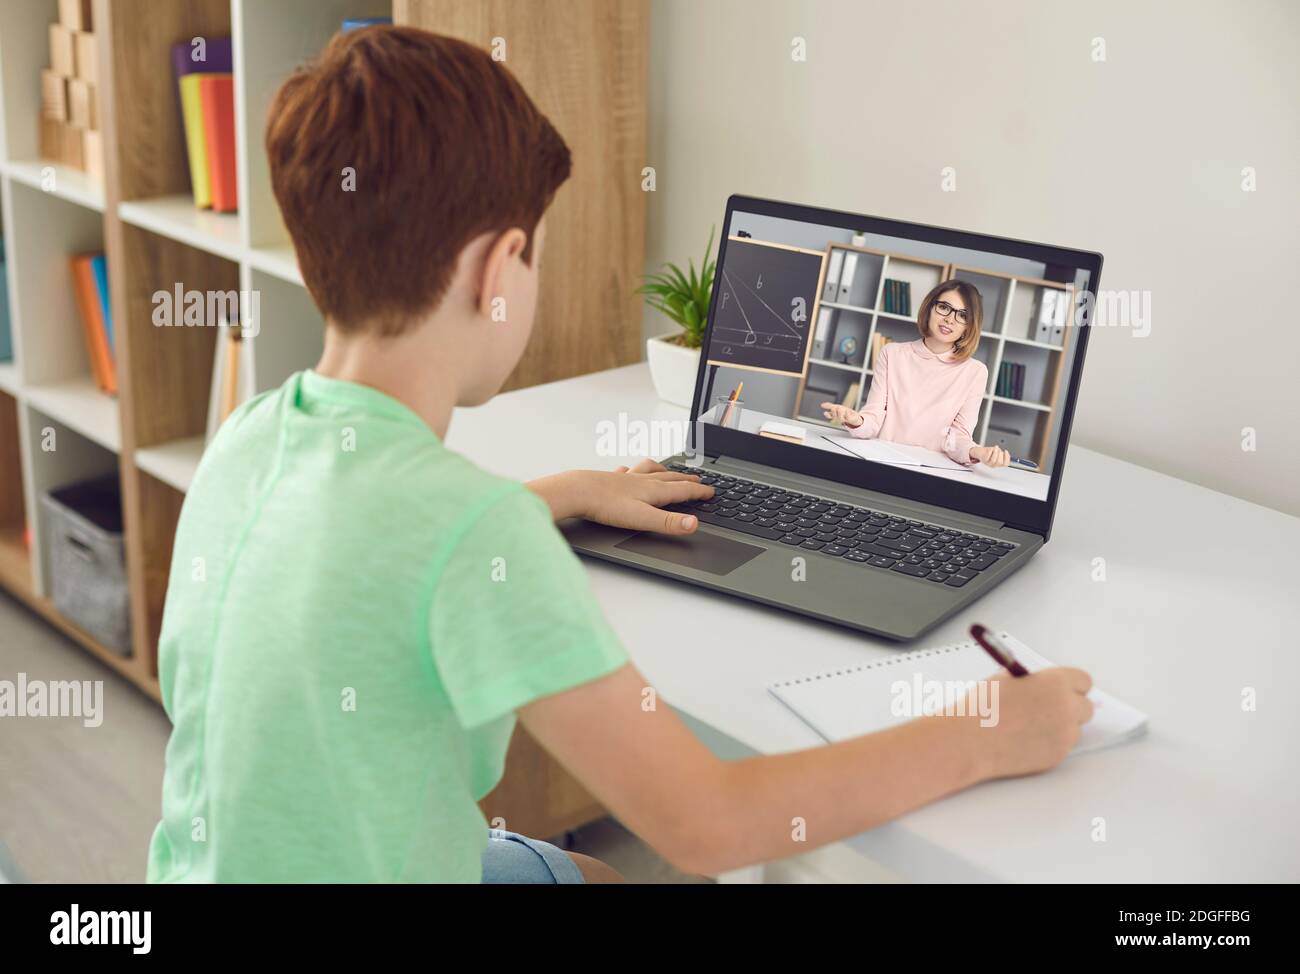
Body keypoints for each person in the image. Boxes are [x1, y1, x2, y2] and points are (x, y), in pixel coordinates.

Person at [147, 26, 1090, 884]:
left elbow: (371, 544)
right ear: (496, 267)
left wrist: (560, 493)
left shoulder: (252, 432)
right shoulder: (474, 538)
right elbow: (709, 827)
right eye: (538, 257)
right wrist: (985, 735)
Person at [821, 281, 1011, 467]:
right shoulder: (892, 354)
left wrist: (977, 452)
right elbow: (874, 419)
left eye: (963, 315)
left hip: (931, 472)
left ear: (969, 326)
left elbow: (957, 438)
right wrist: (856, 420)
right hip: (883, 462)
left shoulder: (975, 372)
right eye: (944, 307)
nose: (950, 319)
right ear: (929, 308)